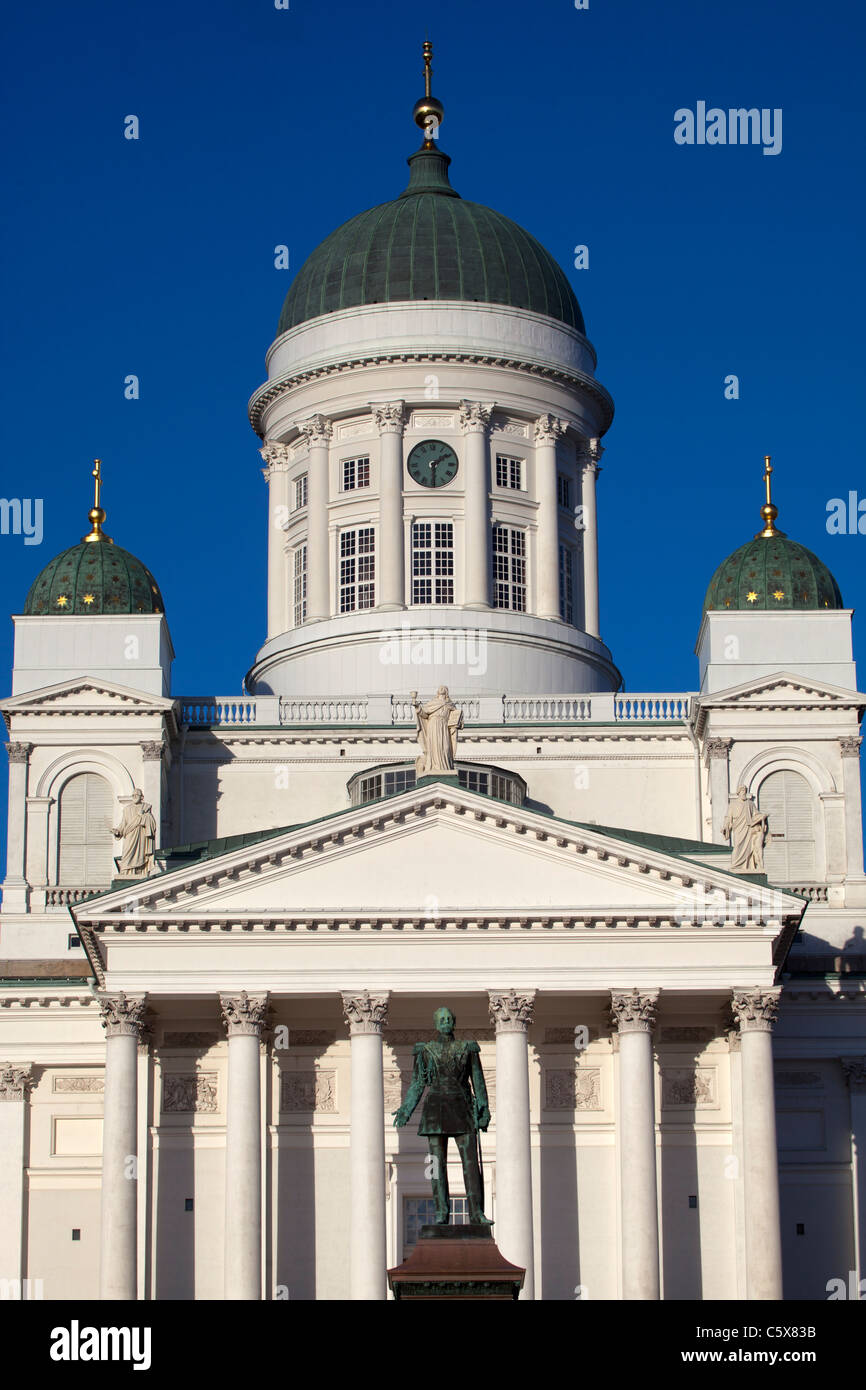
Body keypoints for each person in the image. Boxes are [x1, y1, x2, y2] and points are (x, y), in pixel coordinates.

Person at [393, 1005, 491, 1226]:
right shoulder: (425, 1051)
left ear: (454, 1022)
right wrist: (406, 1110)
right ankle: (441, 1211)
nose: (446, 1022)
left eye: (449, 1018)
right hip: (435, 1110)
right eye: (442, 1019)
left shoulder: (468, 1048)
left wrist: (483, 1110)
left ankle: (476, 1212)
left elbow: (478, 1081)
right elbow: (418, 1083)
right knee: (437, 1164)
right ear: (436, 1023)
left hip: (462, 1107)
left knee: (470, 1163)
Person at [410, 686, 463, 776]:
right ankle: (434, 766)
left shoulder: (450, 704)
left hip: (444, 726)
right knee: (434, 745)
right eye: (440, 688)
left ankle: (445, 766)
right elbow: (424, 714)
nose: (442, 689)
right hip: (433, 725)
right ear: (437, 692)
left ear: (447, 692)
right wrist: (417, 707)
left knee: (445, 747)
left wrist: (457, 723)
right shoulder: (433, 703)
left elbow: (456, 717)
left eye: (444, 688)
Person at [112, 788, 156, 877]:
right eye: (133, 795)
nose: (135, 797)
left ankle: (139, 871)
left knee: (140, 855)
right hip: (129, 835)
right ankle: (126, 872)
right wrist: (118, 831)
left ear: (142, 797)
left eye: (137, 795)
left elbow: (152, 822)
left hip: (141, 835)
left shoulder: (146, 807)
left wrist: (144, 816)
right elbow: (123, 824)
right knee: (127, 855)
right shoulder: (127, 809)